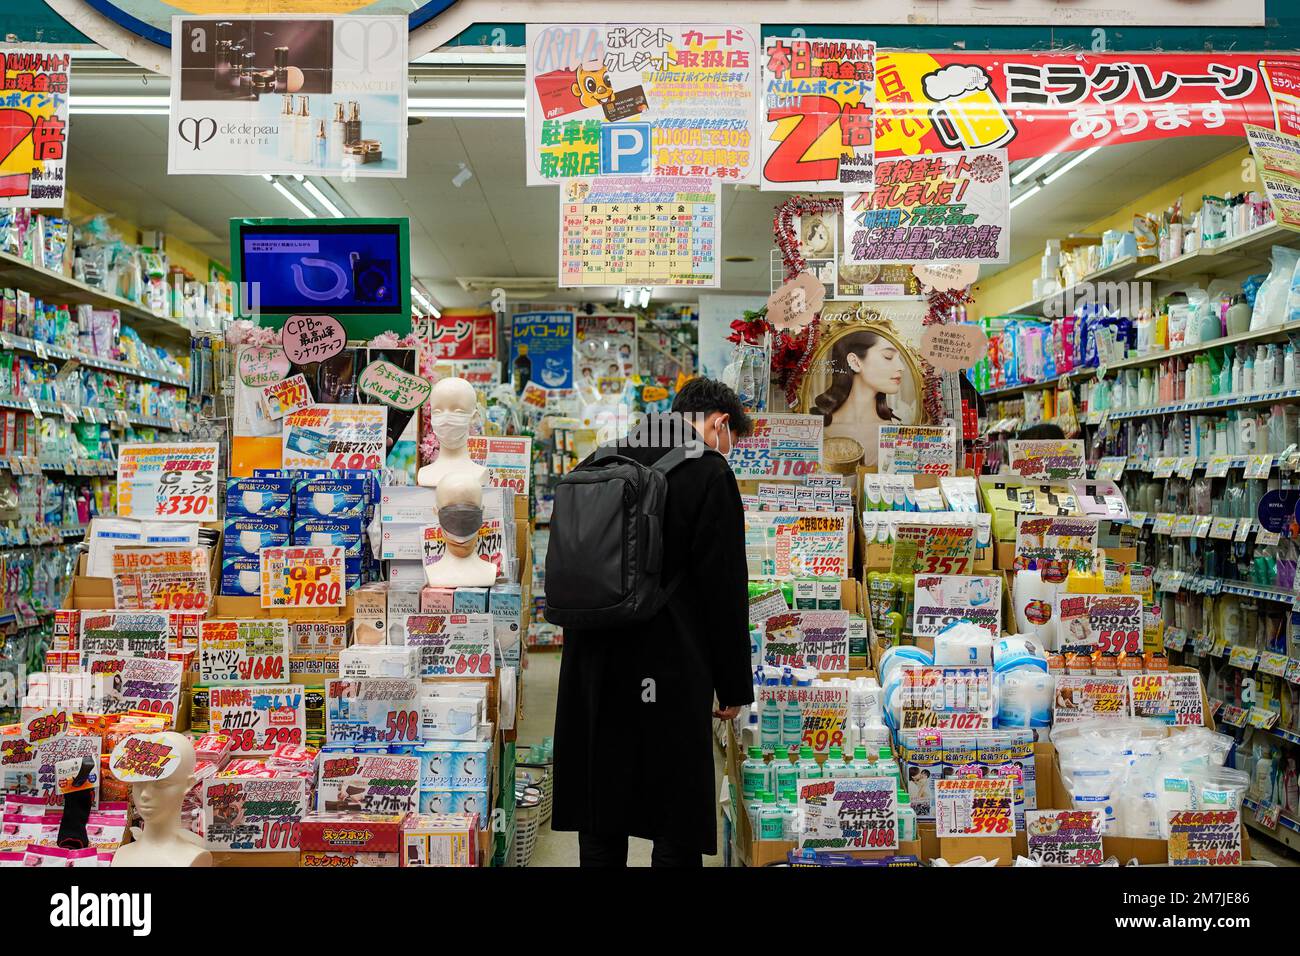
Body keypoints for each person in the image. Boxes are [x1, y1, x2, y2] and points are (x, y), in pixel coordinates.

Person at [552, 377, 755, 867]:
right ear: (718, 423)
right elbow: (723, 584)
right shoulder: (709, 473)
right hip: (670, 659)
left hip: (593, 658)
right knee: (676, 804)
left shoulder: (599, 459)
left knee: (600, 800)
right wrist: (732, 684)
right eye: (729, 439)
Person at [813, 329, 909, 467]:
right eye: (888, 356)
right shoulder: (816, 428)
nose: (901, 367)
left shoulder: (896, 429)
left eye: (899, 358)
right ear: (855, 362)